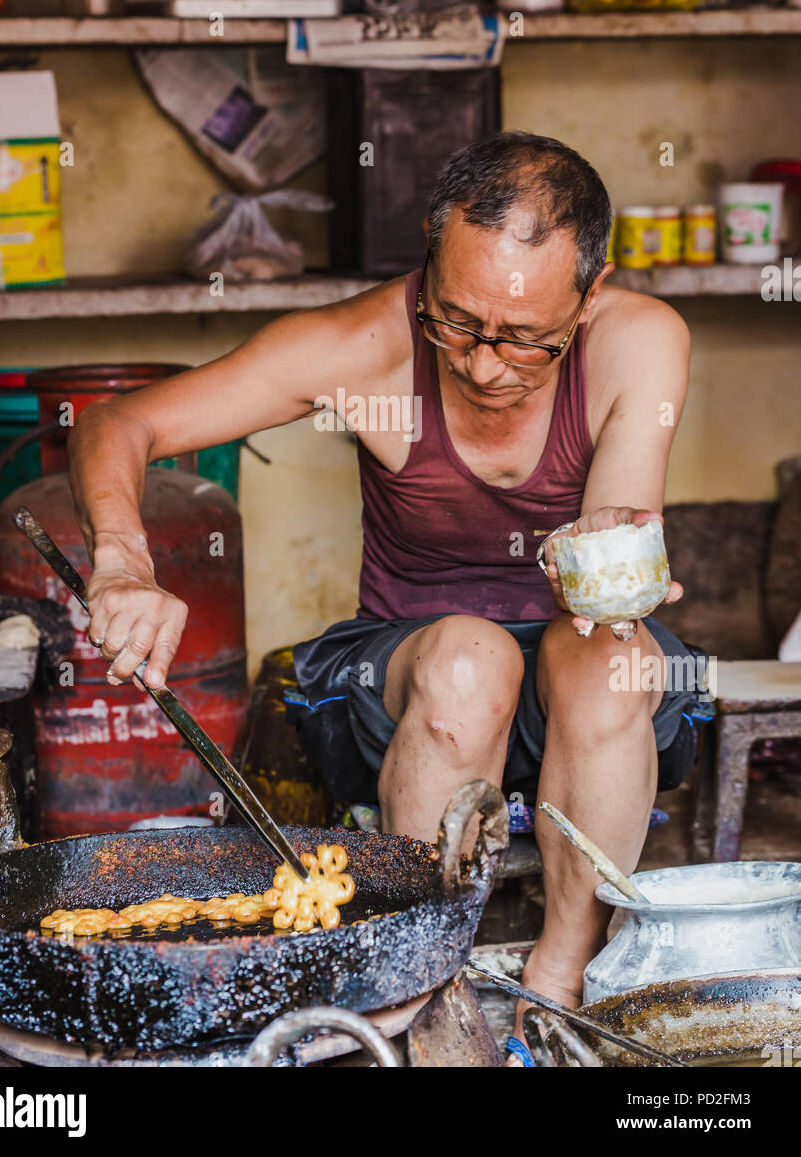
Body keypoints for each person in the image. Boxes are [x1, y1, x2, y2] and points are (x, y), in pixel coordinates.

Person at [68, 131, 700, 1032]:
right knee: (471, 664)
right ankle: (428, 997)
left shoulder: (640, 340)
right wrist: (124, 561)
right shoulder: (360, 345)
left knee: (606, 658)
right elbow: (117, 425)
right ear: (429, 265)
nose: (483, 365)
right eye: (457, 322)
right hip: (410, 684)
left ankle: (560, 987)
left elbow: (615, 546)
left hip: (586, 689)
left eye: (526, 341)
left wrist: (610, 556)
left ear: (590, 294)